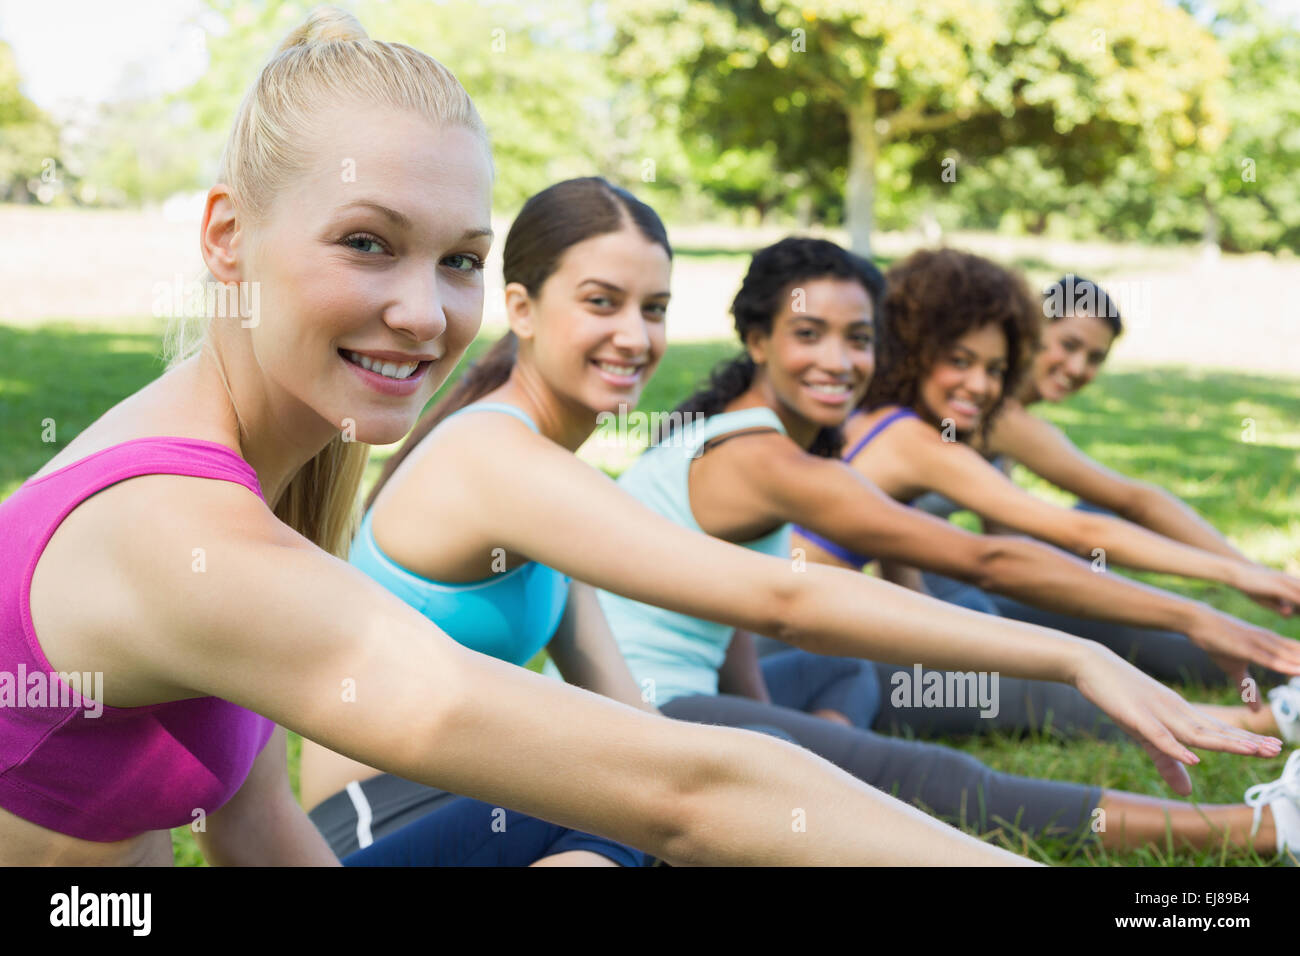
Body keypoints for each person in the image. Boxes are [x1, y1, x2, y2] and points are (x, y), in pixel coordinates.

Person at [0, 8, 1052, 868]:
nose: (423, 312)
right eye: (367, 243)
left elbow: (254, 828)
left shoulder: (267, 455)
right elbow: (686, 787)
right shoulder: (188, 536)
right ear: (228, 237)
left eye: (456, 259)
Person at [301, 199, 1294, 862]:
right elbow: (785, 597)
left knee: (683, 785)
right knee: (699, 777)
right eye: (598, 302)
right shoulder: (494, 457)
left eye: (652, 307)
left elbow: (627, 713)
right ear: (519, 307)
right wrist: (1078, 655)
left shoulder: (547, 473)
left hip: (487, 803)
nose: (634, 335)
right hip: (374, 827)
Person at [794, 249, 1300, 737]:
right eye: (960, 360)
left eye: (994, 369)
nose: (981, 385)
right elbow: (1069, 533)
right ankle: (1256, 721)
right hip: (798, 641)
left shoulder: (886, 421)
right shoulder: (912, 439)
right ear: (917, 348)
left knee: (1018, 655)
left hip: (812, 628)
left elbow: (908, 571)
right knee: (1024, 678)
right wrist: (1233, 576)